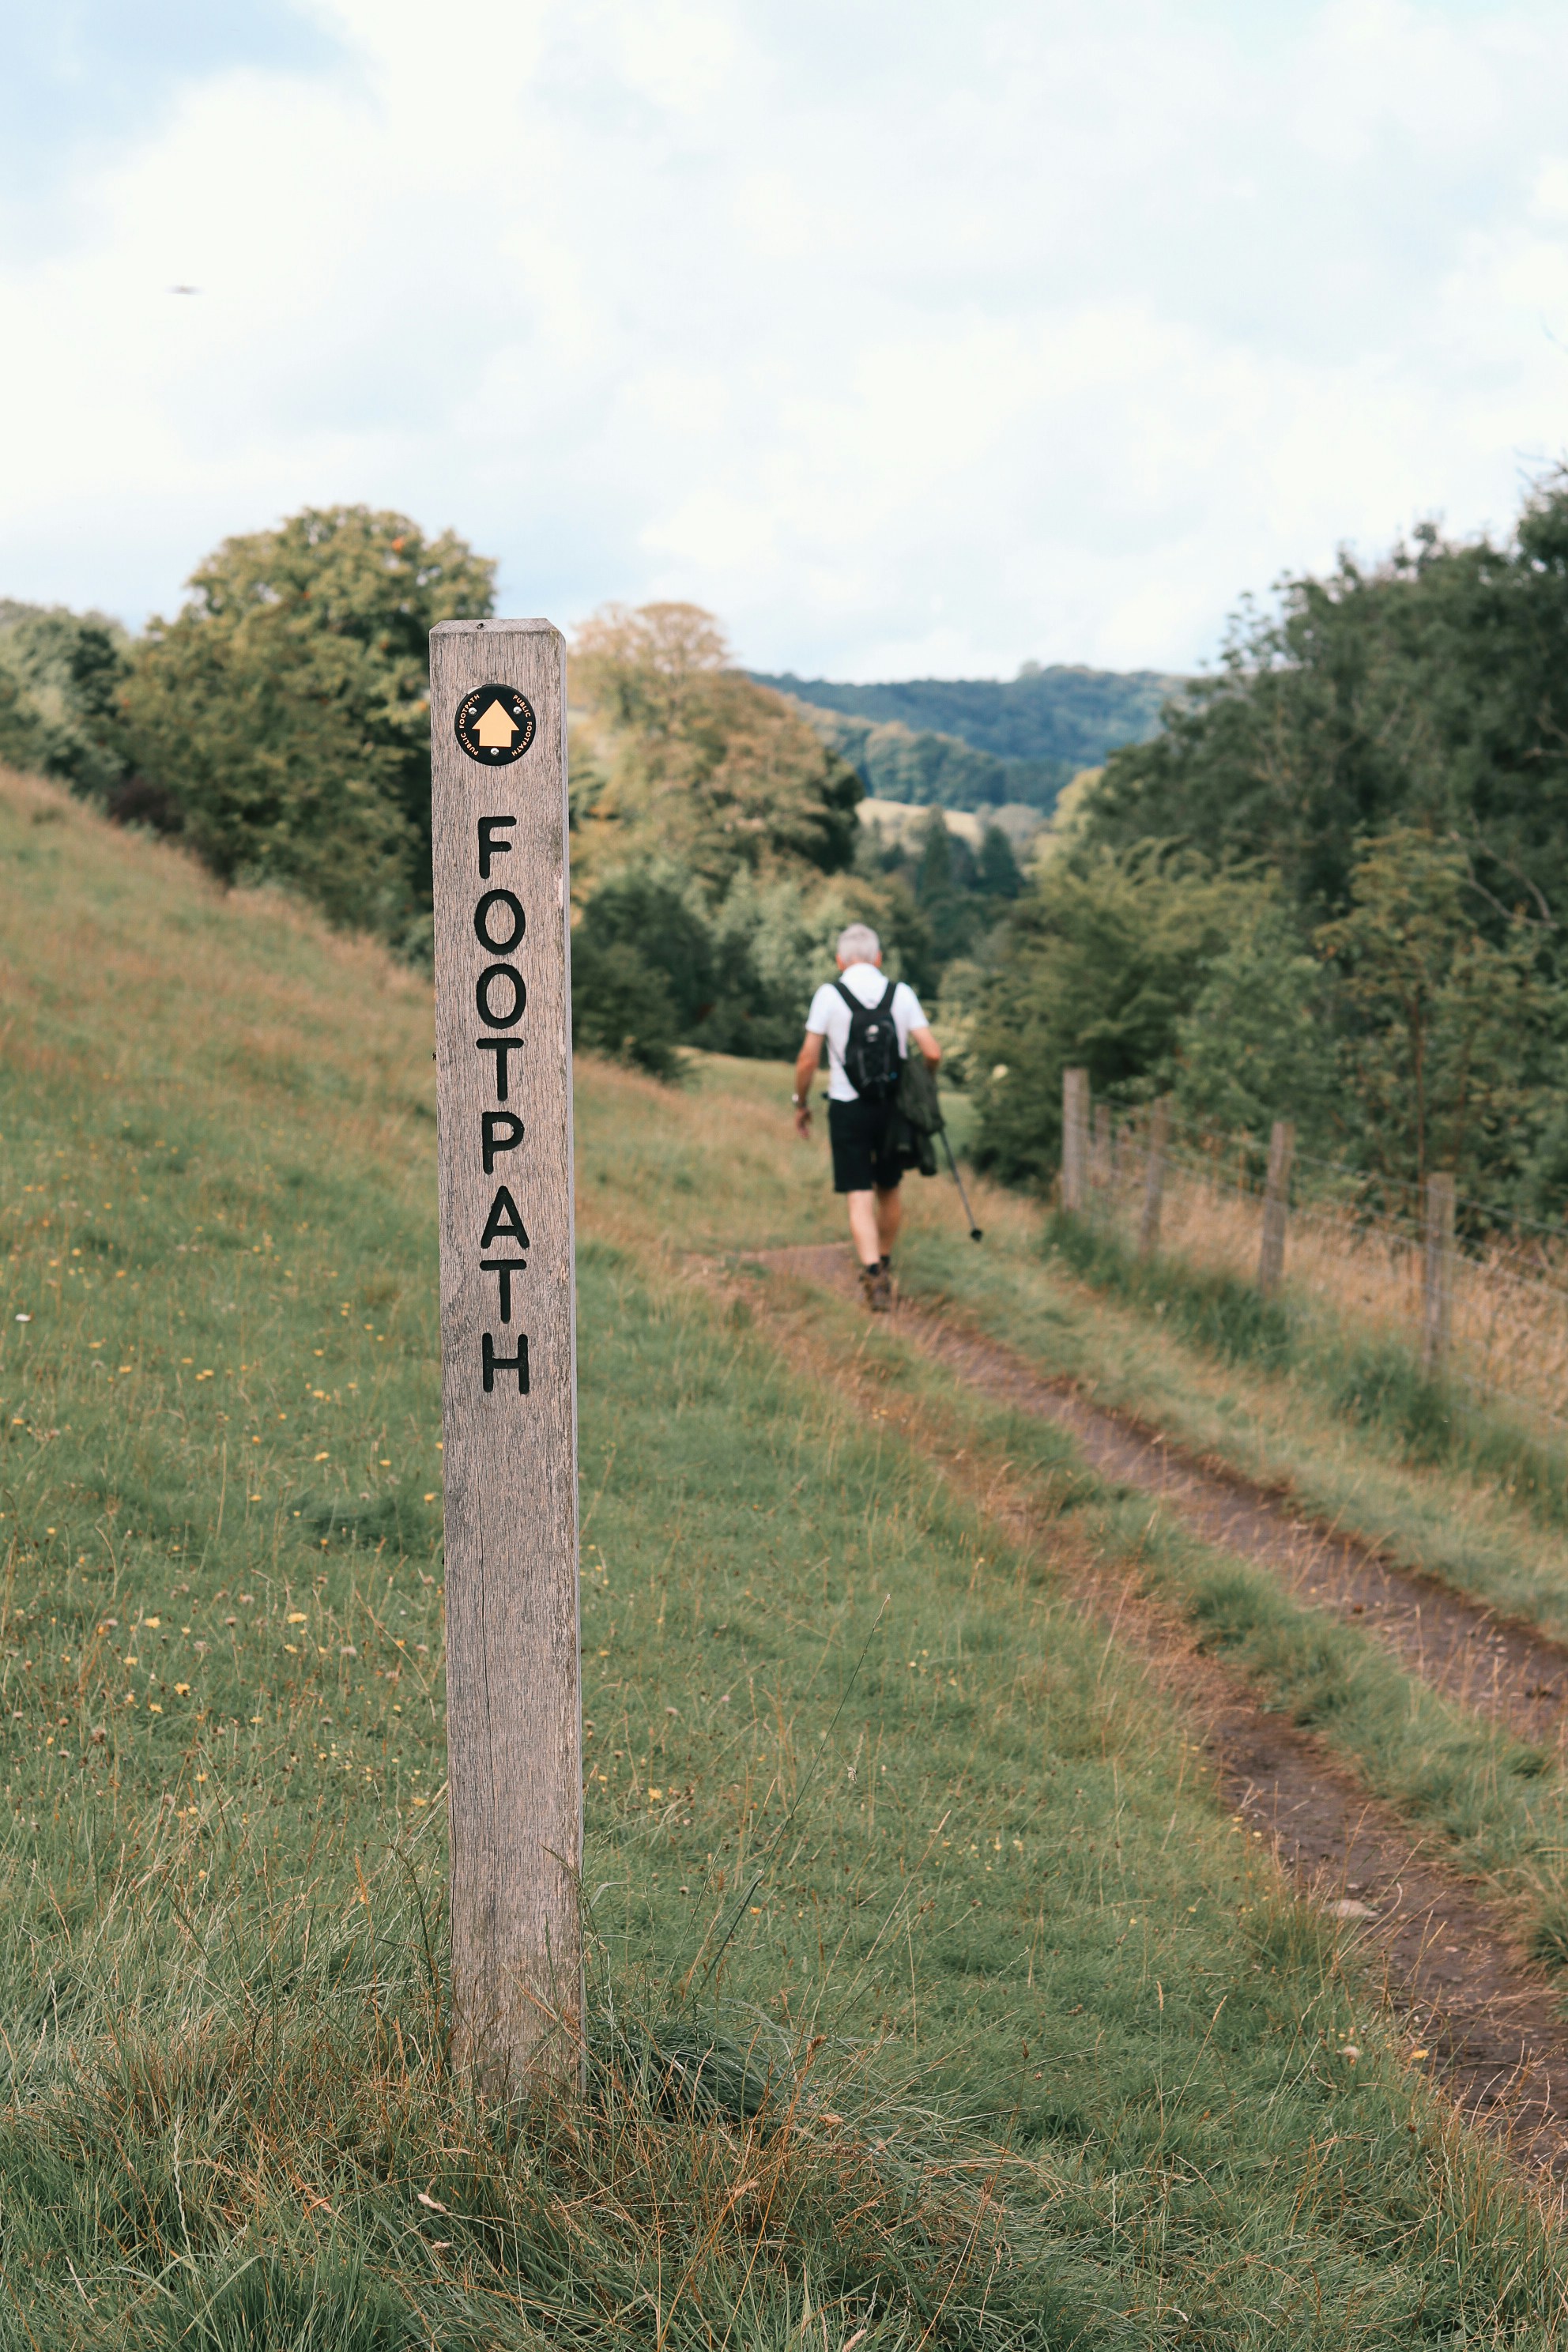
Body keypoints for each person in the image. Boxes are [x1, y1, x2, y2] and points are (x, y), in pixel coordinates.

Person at [793, 924, 940, 1311]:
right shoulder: (901, 993)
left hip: (847, 1105)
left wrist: (800, 1102)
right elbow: (933, 1052)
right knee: (889, 1188)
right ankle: (885, 1259)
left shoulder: (829, 995)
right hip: (893, 1108)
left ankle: (873, 1273)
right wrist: (922, 1085)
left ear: (840, 960)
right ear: (878, 959)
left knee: (859, 1193)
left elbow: (808, 1058)